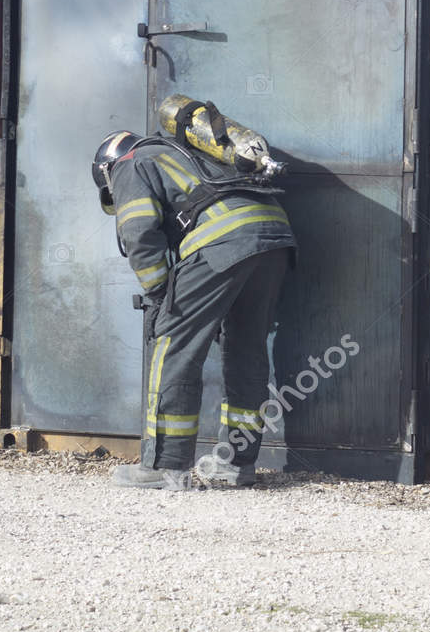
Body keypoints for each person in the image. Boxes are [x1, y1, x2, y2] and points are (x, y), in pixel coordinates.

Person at [91, 123, 295, 490]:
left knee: (174, 347)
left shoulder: (130, 163)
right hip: (274, 237)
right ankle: (237, 464)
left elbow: (138, 232)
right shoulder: (188, 153)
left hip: (222, 237)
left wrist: (158, 294)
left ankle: (164, 466)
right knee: (246, 351)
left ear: (107, 168)